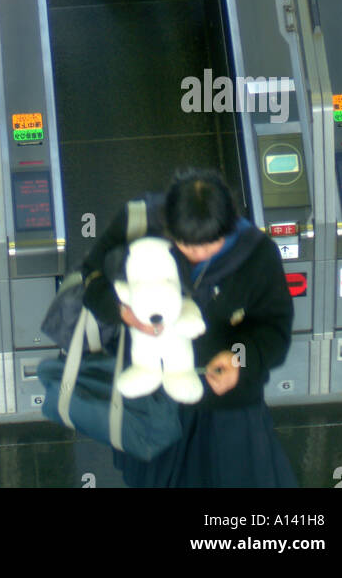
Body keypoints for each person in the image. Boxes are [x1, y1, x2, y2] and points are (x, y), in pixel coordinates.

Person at [81, 169, 296, 488]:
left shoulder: (256, 253)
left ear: (230, 226)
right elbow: (90, 279)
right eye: (186, 244)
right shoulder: (138, 223)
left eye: (209, 245)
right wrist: (121, 311)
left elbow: (274, 327)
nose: (196, 254)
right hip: (155, 399)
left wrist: (239, 360)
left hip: (226, 407)